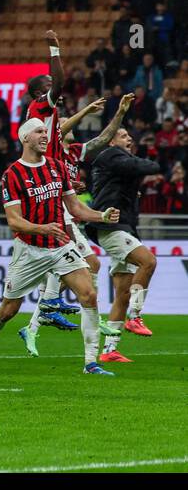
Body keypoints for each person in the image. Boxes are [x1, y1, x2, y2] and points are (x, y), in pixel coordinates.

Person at [0, 118, 121, 376]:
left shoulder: (57, 167)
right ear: (25, 138)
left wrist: (102, 216)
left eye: (46, 131)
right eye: (39, 131)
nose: (45, 135)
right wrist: (41, 228)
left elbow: (76, 208)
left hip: (59, 245)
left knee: (88, 295)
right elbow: (14, 220)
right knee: (8, 310)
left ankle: (91, 363)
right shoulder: (13, 174)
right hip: (29, 249)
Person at [18, 94, 131, 356]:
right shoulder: (52, 147)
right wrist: (84, 110)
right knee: (85, 265)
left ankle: (35, 325)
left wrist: (120, 113)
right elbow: (54, 129)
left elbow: (103, 139)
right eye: (62, 123)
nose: (65, 124)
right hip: (51, 216)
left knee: (88, 265)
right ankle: (71, 311)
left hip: (66, 215)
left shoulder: (73, 153)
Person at [88, 127, 162, 363]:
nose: (129, 138)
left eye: (130, 135)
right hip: (111, 226)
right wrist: (148, 161)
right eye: (123, 136)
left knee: (122, 292)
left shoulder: (121, 167)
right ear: (110, 143)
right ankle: (135, 316)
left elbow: (135, 170)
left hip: (123, 227)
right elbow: (148, 167)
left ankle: (110, 350)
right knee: (148, 261)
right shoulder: (109, 156)